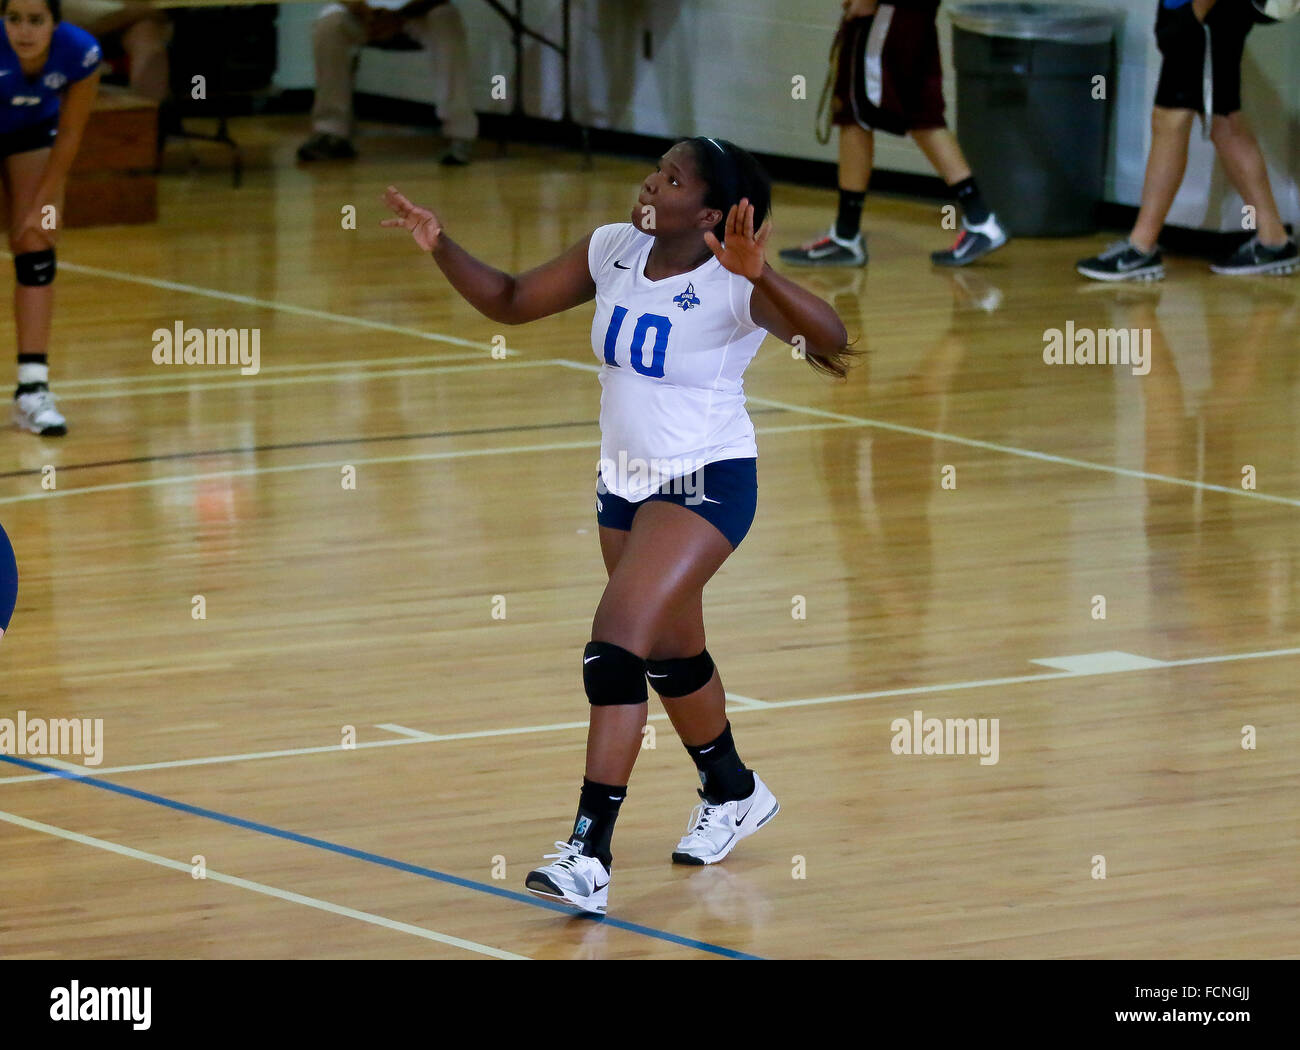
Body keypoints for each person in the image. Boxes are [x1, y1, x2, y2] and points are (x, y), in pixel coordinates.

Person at [383, 137, 855, 914]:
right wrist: (440, 244)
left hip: (706, 481)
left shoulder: (733, 281)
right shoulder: (614, 248)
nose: (650, 181)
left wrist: (761, 273)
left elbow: (831, 340)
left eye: (671, 178)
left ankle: (587, 853)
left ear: (707, 211)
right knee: (673, 654)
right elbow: (508, 299)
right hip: (623, 484)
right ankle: (732, 789)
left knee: (614, 647)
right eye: (655, 168)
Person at [1077, 0, 1298, 281]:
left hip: (1204, 11)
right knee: (1224, 120)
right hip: (1209, 11)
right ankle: (1274, 239)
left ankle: (1141, 246)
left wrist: (1194, 12)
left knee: (1173, 117)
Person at [781, 0, 1008, 268]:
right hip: (909, 12)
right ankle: (980, 218)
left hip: (888, 11)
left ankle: (846, 235)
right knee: (922, 113)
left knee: (856, 111)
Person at [2, 0, 101, 436]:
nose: (24, 31)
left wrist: (41, 202)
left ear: (56, 22)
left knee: (38, 241)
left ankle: (32, 390)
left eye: (36, 20)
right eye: (14, 19)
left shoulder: (80, 52)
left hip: (31, 133)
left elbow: (72, 134)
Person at [298, 0, 478, 167]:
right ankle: (331, 131)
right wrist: (358, 7)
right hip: (365, 11)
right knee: (329, 26)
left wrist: (400, 15)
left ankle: (460, 133)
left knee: (445, 18)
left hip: (421, 9)